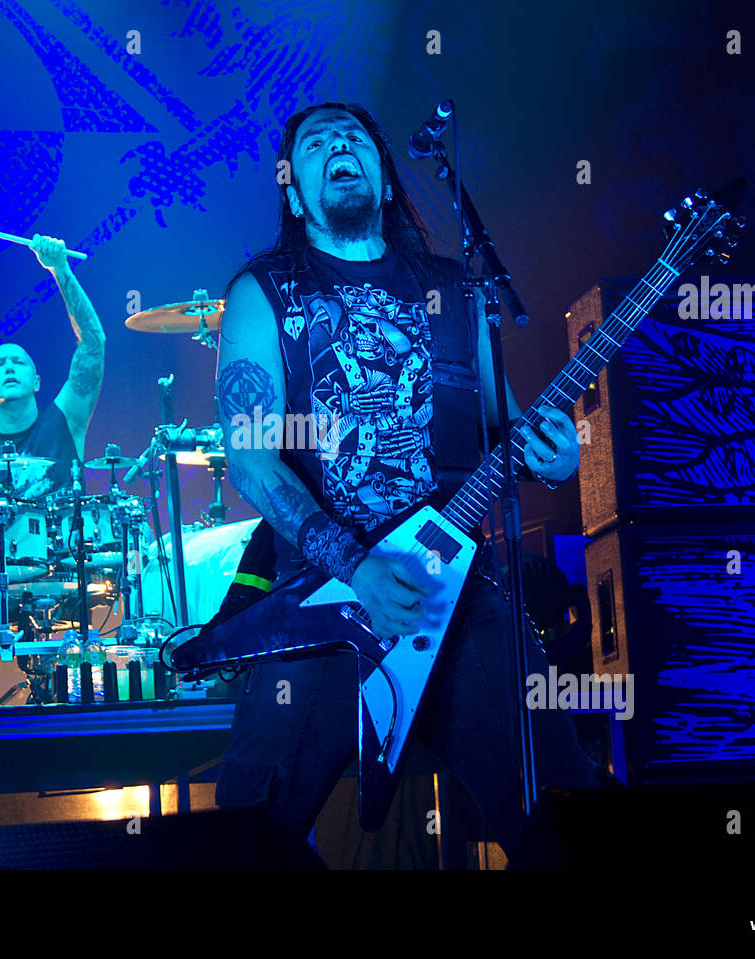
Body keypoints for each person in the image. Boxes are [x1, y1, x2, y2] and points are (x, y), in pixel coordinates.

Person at [212, 101, 601, 858]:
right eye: (316, 143)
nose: (338, 146)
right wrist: (357, 565)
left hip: (460, 594)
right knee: (242, 842)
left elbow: (512, 425)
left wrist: (562, 453)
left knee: (563, 814)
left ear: (386, 177)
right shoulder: (264, 291)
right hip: (322, 599)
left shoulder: (457, 290)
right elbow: (251, 458)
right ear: (294, 191)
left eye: (353, 136)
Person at [0, 234, 106, 503]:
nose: (9, 367)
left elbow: (93, 343)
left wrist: (60, 268)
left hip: (67, 544)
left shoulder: (64, 420)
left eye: (19, 362)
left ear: (37, 382)